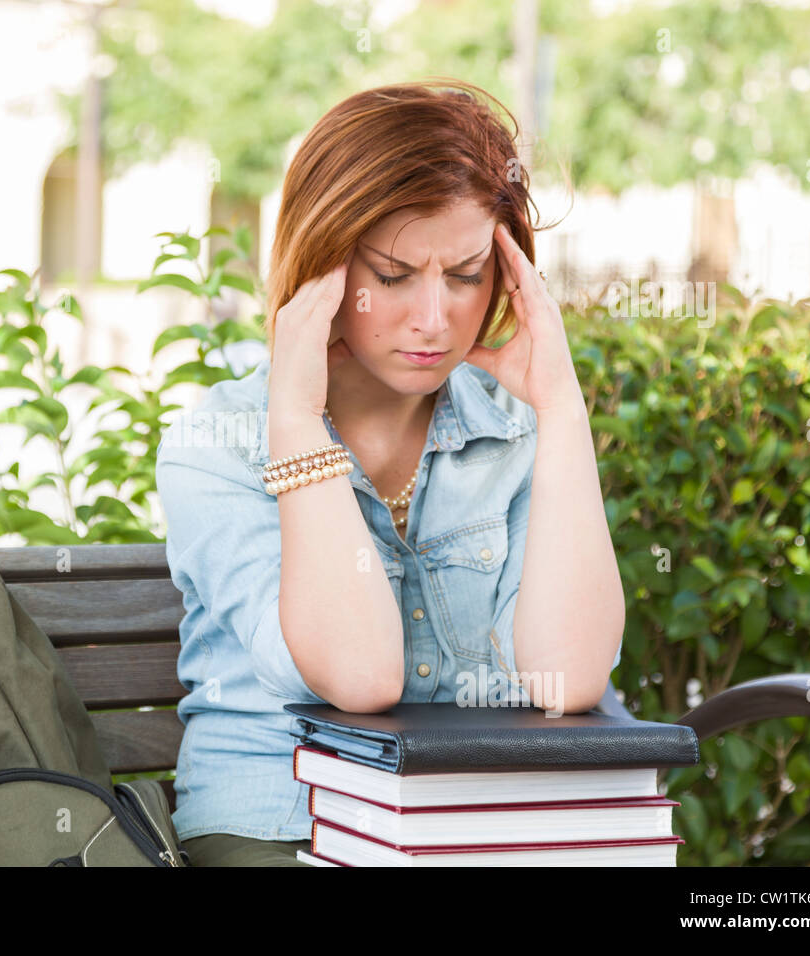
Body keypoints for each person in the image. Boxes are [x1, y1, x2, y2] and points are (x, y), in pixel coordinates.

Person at [155, 78, 626, 867]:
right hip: (283, 823)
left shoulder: (512, 429)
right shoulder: (220, 441)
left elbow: (565, 679)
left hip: (472, 827)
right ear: (321, 264)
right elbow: (360, 676)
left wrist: (563, 411)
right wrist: (299, 422)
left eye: (467, 274)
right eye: (394, 274)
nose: (434, 318)